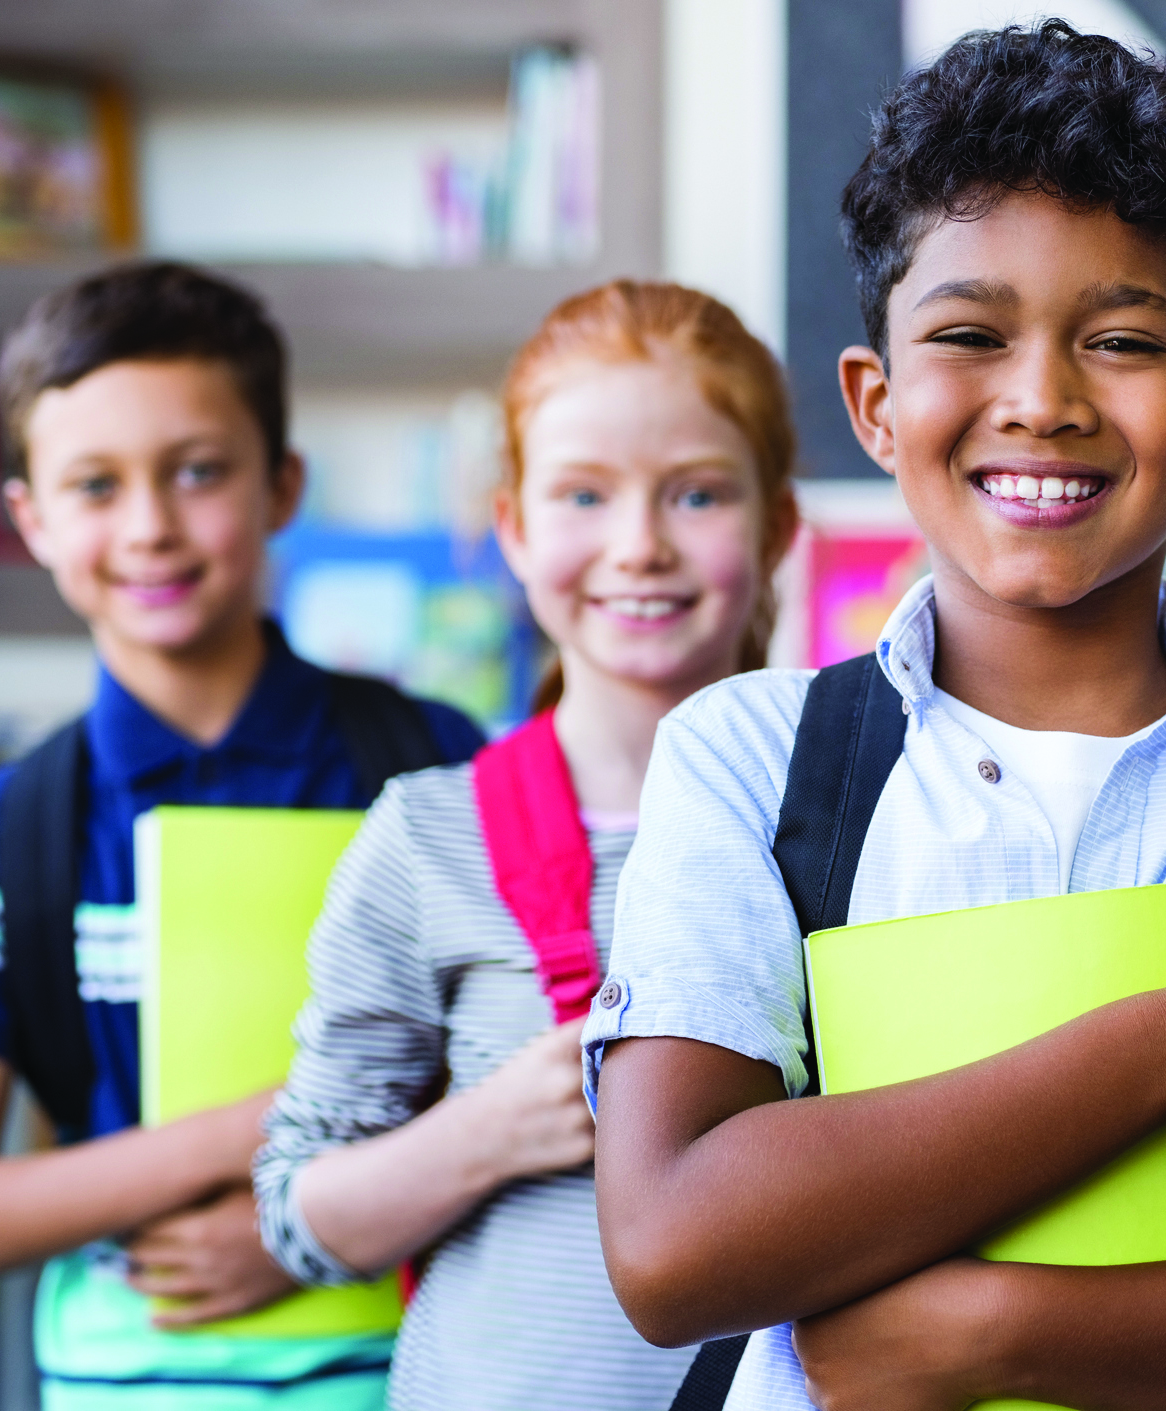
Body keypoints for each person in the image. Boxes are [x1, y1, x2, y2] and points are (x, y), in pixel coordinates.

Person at [586, 24, 1166, 1411]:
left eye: (1123, 340)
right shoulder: (753, 753)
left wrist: (995, 1329)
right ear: (875, 403)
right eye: (970, 336)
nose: (1041, 400)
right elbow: (678, 1242)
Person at [0, 262, 484, 1408]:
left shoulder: (436, 763)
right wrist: (259, 1132)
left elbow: (523, 1081)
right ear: (31, 517)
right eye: (95, 485)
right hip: (118, 1379)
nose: (149, 527)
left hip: (420, 1370)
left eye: (198, 472)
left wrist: (301, 1226)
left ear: (282, 484)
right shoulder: (9, 829)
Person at [253, 281, 801, 1411]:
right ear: (511, 528)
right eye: (584, 496)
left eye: (696, 494)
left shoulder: (869, 814)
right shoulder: (425, 837)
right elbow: (302, 1214)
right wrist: (488, 1131)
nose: (639, 546)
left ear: (777, 525)